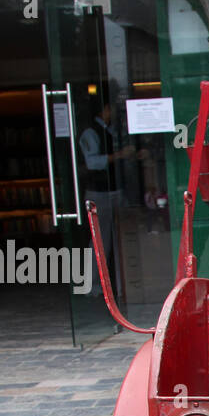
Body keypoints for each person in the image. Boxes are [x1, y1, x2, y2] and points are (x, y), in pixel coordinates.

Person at [78, 98, 145, 297]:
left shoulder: (113, 130)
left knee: (121, 239)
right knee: (101, 240)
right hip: (100, 193)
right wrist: (120, 155)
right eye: (112, 108)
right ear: (105, 109)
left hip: (117, 191)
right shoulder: (90, 132)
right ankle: (94, 285)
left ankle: (121, 285)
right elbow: (92, 163)